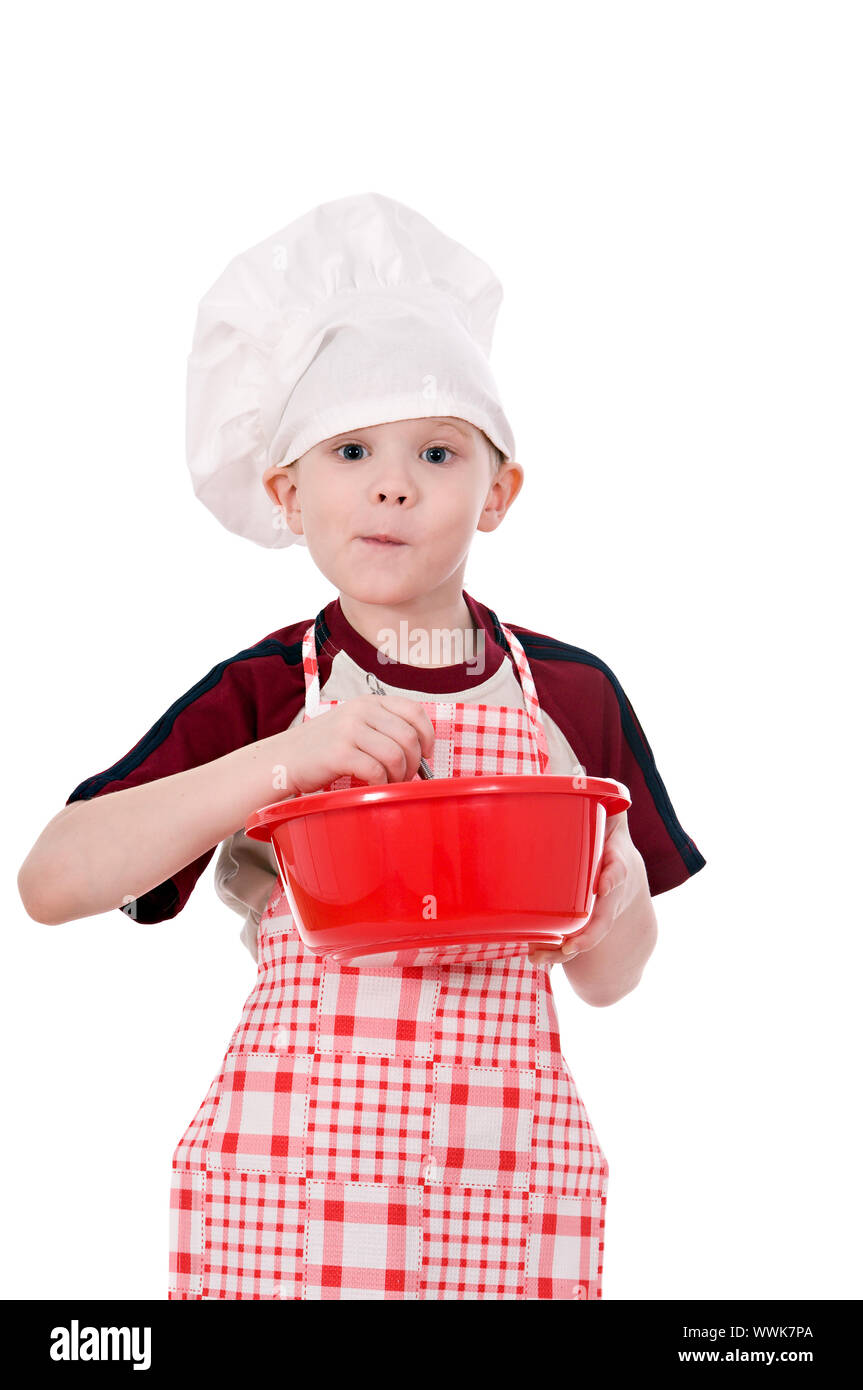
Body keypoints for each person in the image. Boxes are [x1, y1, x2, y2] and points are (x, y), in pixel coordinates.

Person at [17, 192, 706, 1300]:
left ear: (498, 494)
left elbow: (610, 981)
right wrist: (278, 764)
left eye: (437, 451)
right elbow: (51, 880)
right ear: (288, 493)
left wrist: (612, 889)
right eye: (349, 450)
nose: (392, 483)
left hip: (505, 1188)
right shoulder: (260, 692)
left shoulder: (571, 696)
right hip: (287, 1193)